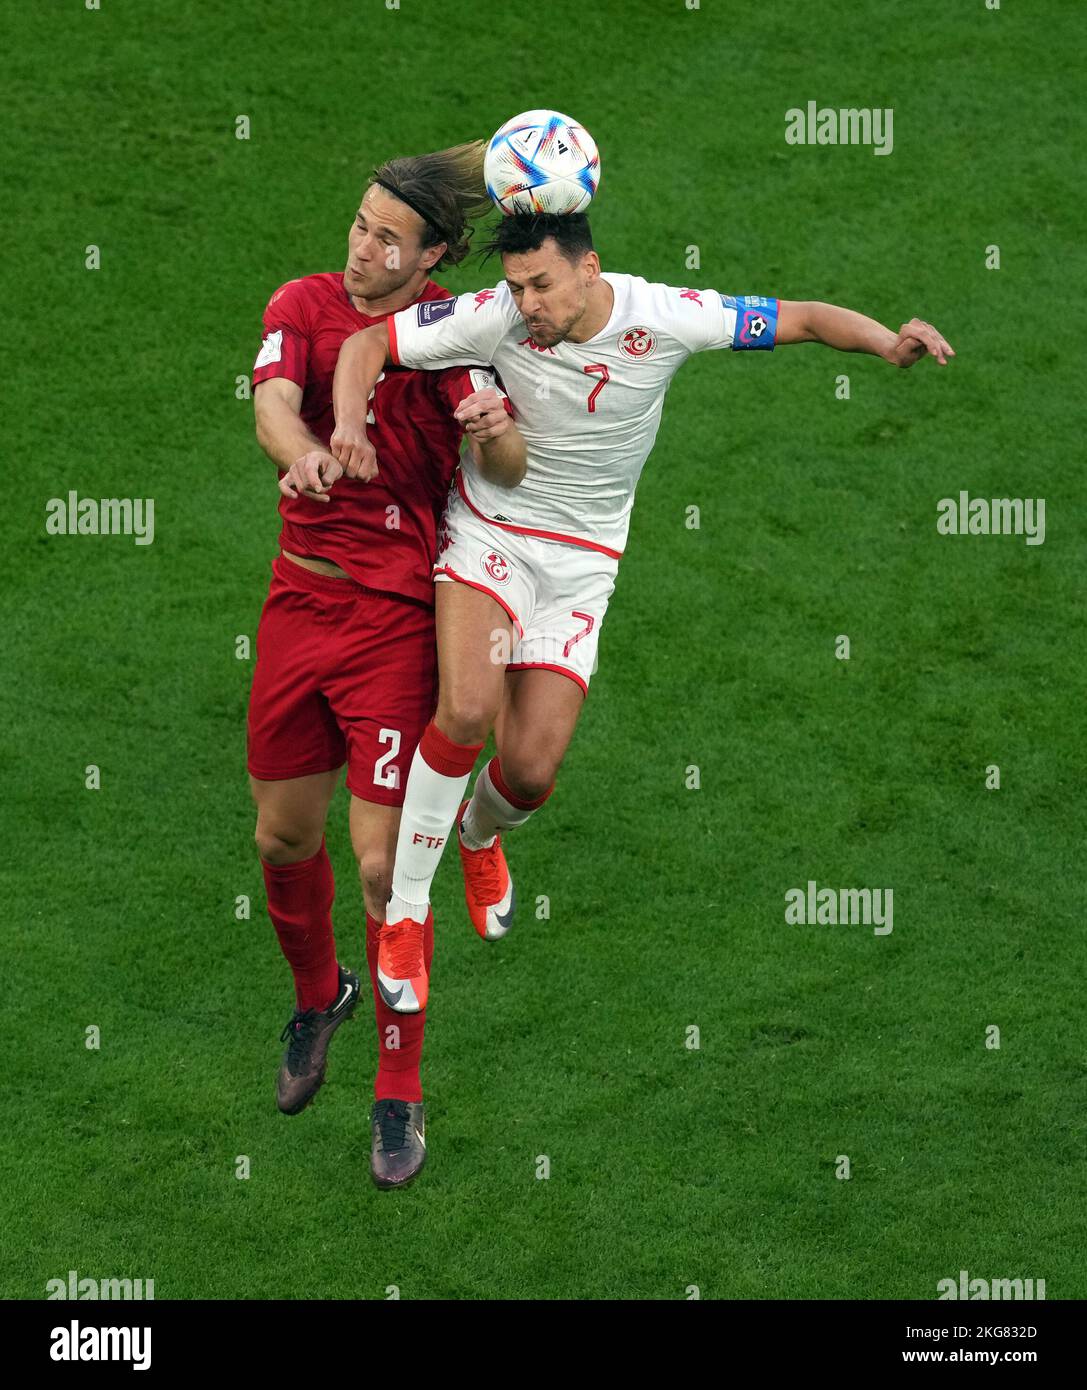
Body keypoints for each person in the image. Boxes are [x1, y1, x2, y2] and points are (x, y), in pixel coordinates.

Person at [326, 210, 955, 1013]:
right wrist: (350, 422)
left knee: (527, 772)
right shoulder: (494, 314)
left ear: (590, 271)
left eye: (542, 285)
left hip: (583, 567)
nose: (527, 305)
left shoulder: (665, 315)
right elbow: (365, 345)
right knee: (466, 708)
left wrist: (883, 342)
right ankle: (405, 920)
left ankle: (478, 835)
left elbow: (799, 318)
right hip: (492, 536)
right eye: (517, 287)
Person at [248, 143, 525, 1188]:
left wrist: (493, 432)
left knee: (379, 866)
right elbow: (272, 401)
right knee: (281, 834)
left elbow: (507, 465)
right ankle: (318, 998)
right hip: (296, 601)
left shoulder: (456, 332)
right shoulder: (305, 302)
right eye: (359, 226)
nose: (363, 251)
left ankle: (397, 1092)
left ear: (434, 257)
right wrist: (303, 452)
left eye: (387, 240)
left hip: (395, 628)